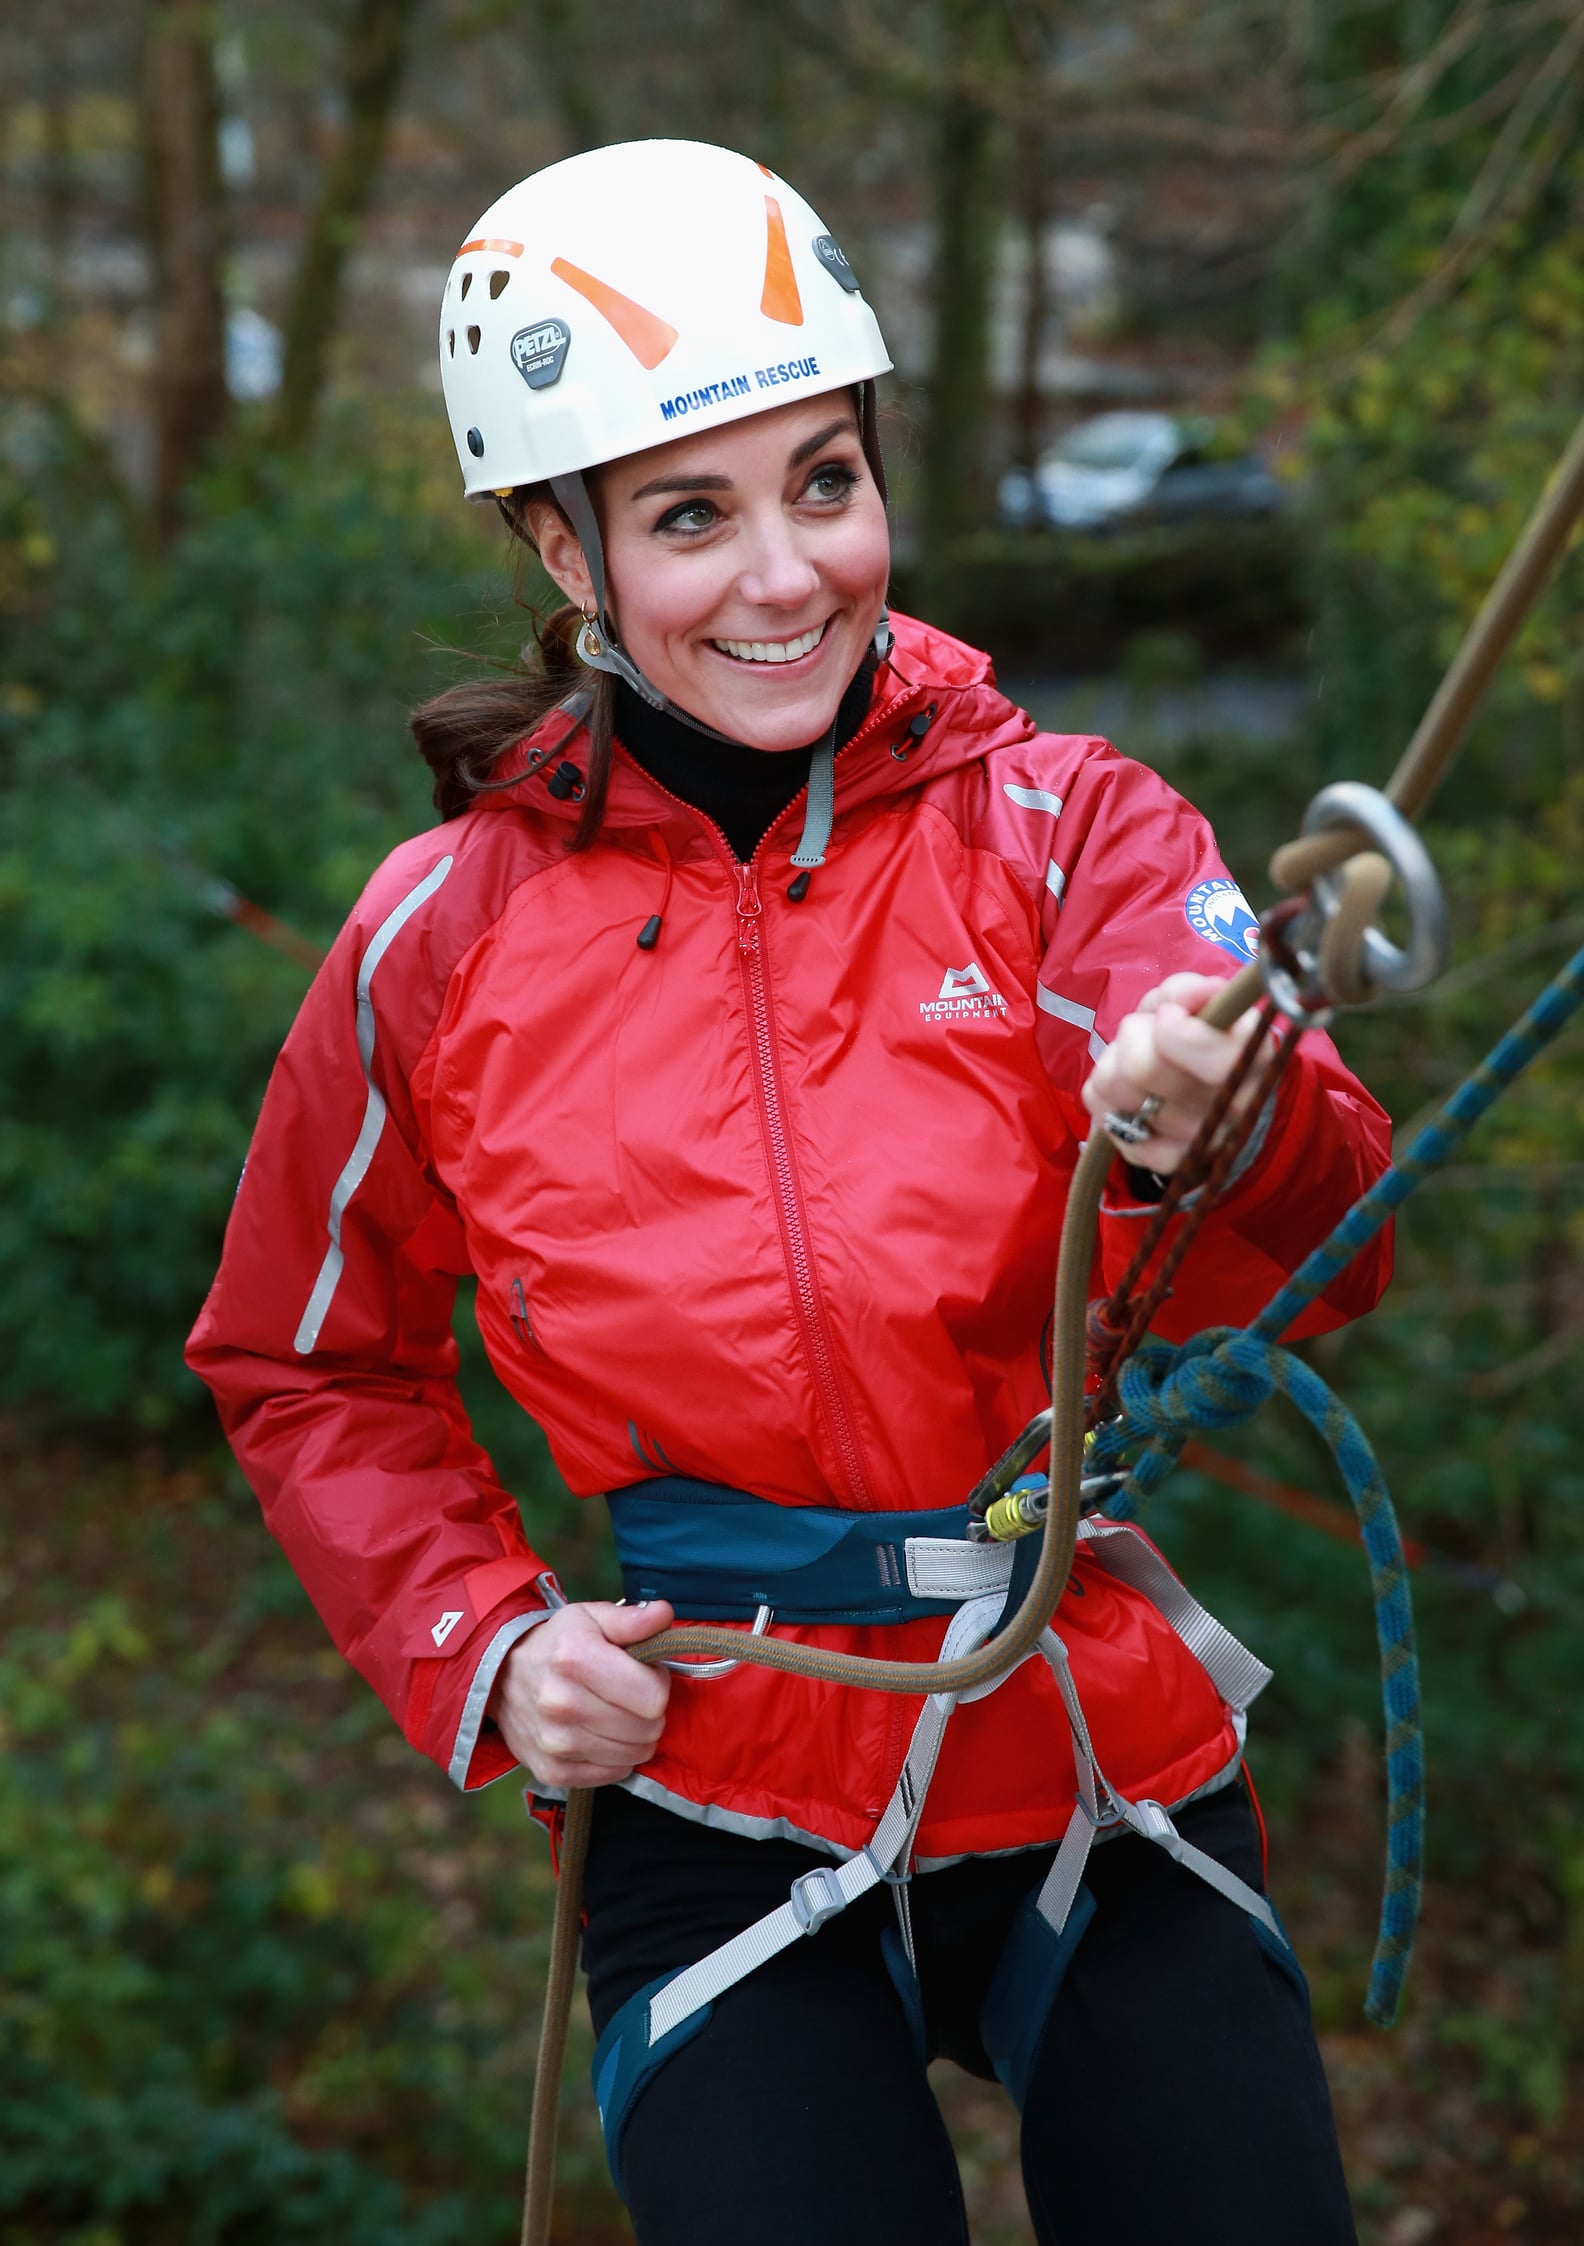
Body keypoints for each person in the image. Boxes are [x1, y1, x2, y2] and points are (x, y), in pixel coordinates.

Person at [188, 139, 1392, 2246]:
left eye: (823, 481)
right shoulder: (438, 939)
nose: (783, 575)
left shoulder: (1065, 828)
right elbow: (308, 1355)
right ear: (562, 552)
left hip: (1082, 1725)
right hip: (713, 1769)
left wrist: (1226, 1106)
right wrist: (487, 1643)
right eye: (687, 515)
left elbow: (1331, 1241)